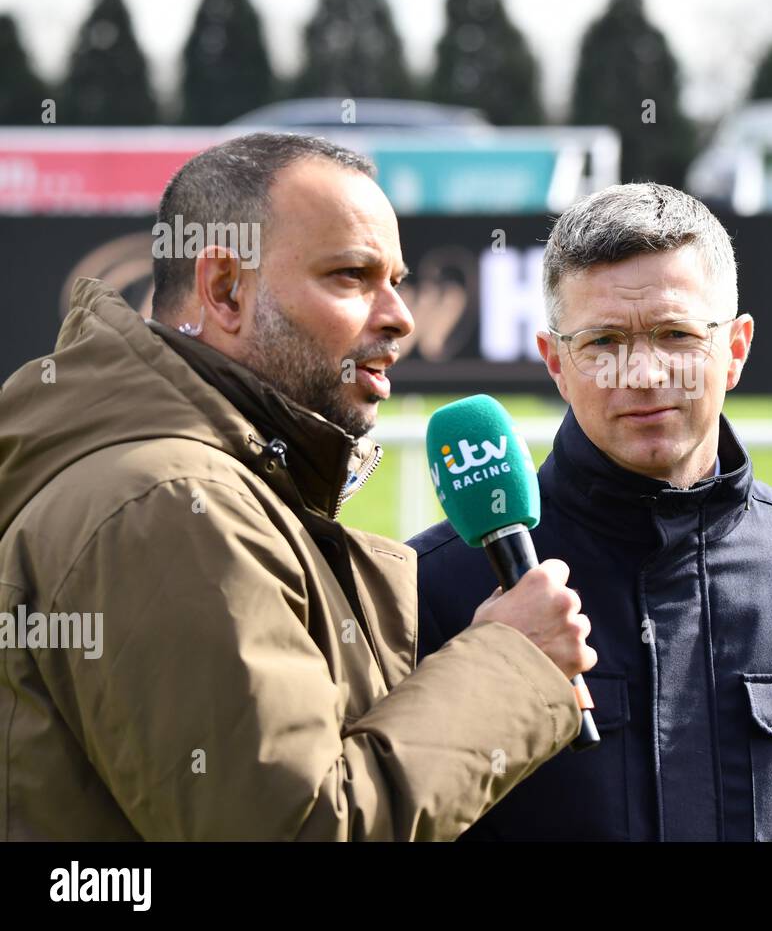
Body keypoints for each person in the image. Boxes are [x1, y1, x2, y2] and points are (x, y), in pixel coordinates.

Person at [0, 132, 596, 841]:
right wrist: (511, 665)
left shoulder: (206, 484)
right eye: (351, 275)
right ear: (226, 290)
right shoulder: (172, 503)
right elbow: (299, 829)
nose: (401, 317)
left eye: (397, 281)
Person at [411, 182, 772, 841]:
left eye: (675, 335)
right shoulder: (426, 590)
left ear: (734, 349)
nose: (642, 373)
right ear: (556, 362)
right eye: (604, 342)